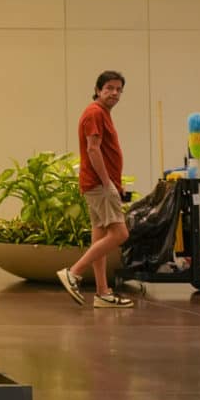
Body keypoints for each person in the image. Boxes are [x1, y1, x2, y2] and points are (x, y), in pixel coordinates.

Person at [58, 71, 136, 308]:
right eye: (109, 88)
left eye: (118, 89)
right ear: (98, 90)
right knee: (120, 234)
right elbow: (93, 149)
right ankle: (73, 273)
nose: (114, 93)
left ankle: (103, 292)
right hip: (100, 185)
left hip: (99, 184)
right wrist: (108, 183)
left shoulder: (102, 113)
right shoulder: (94, 113)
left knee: (100, 236)